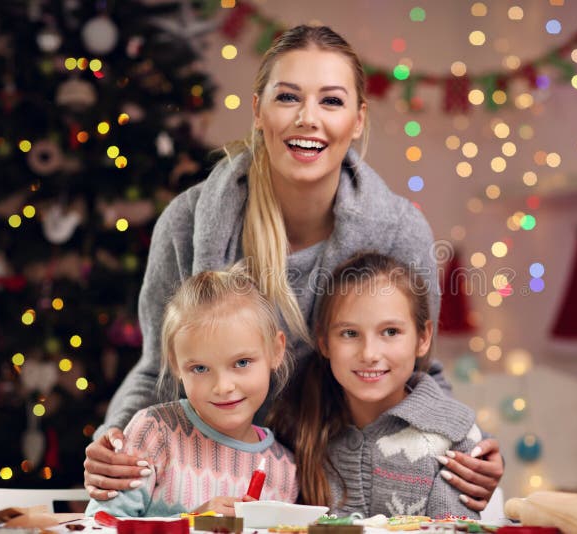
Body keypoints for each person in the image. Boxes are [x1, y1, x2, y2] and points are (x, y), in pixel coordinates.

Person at [83, 24, 502, 510]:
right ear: (258, 110)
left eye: (331, 101)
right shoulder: (188, 222)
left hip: (335, 474)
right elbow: (158, 365)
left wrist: (469, 446)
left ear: (358, 119)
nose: (308, 119)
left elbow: (416, 369)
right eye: (288, 98)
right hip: (206, 469)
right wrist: (115, 445)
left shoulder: (399, 230)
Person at [269, 252, 480, 519]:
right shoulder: (298, 427)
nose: (369, 354)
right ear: (324, 342)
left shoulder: (453, 435)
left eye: (390, 332)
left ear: (423, 338)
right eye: (350, 333)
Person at [86, 265, 298, 517]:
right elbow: (100, 525)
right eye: (200, 368)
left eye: (241, 363)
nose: (223, 387)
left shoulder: (285, 469)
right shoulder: (154, 434)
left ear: (276, 351)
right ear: (176, 364)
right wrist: (191, 525)